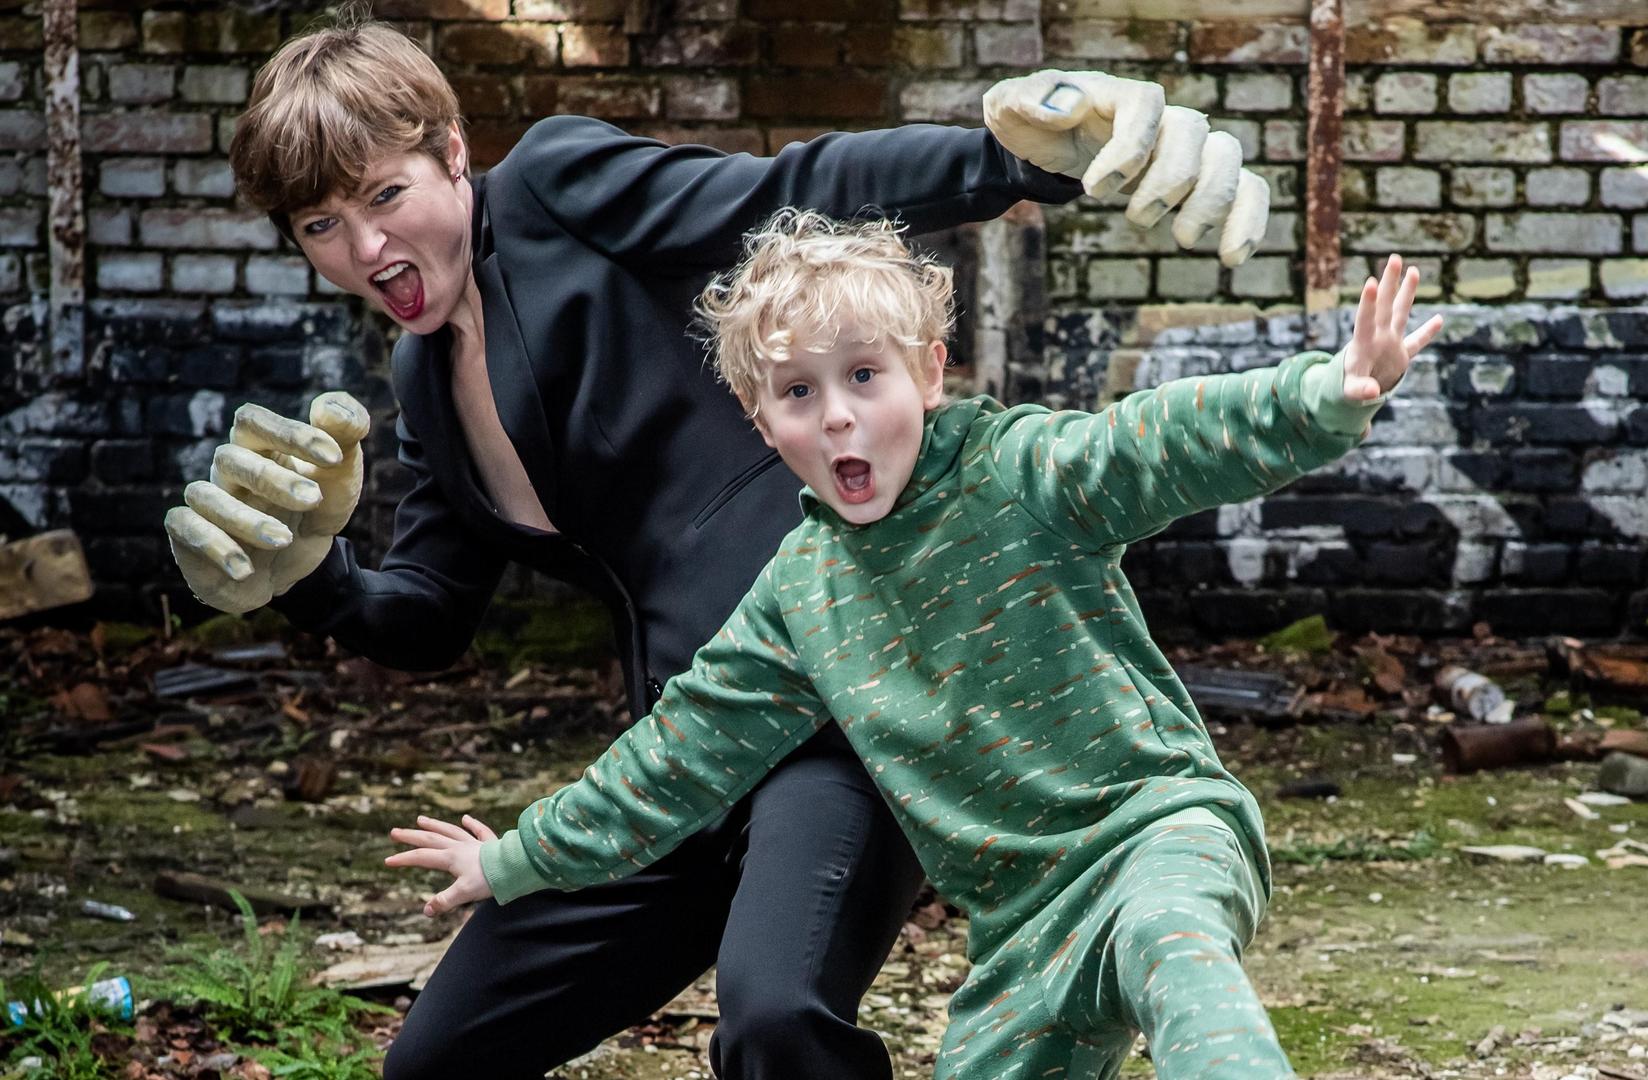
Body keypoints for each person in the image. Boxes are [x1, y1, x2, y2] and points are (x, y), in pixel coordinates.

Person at [158, 15, 1274, 1080]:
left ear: (453, 153)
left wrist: (1019, 161)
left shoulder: (552, 192)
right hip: (685, 751)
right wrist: (305, 574)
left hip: (830, 704)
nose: (367, 247)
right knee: (436, 1056)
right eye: (321, 228)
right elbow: (426, 615)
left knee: (777, 1018)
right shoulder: (421, 383)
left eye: (386, 196)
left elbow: (788, 192)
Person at [387, 208, 1444, 1078]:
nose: (839, 418)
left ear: (928, 375)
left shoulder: (1023, 475)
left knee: (1175, 957)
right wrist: (516, 857)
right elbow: (672, 761)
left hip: (1153, 836)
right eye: (800, 394)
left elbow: (1159, 439)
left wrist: (1324, 393)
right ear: (763, 425)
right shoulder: (798, 599)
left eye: (864, 378)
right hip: (1023, 926)